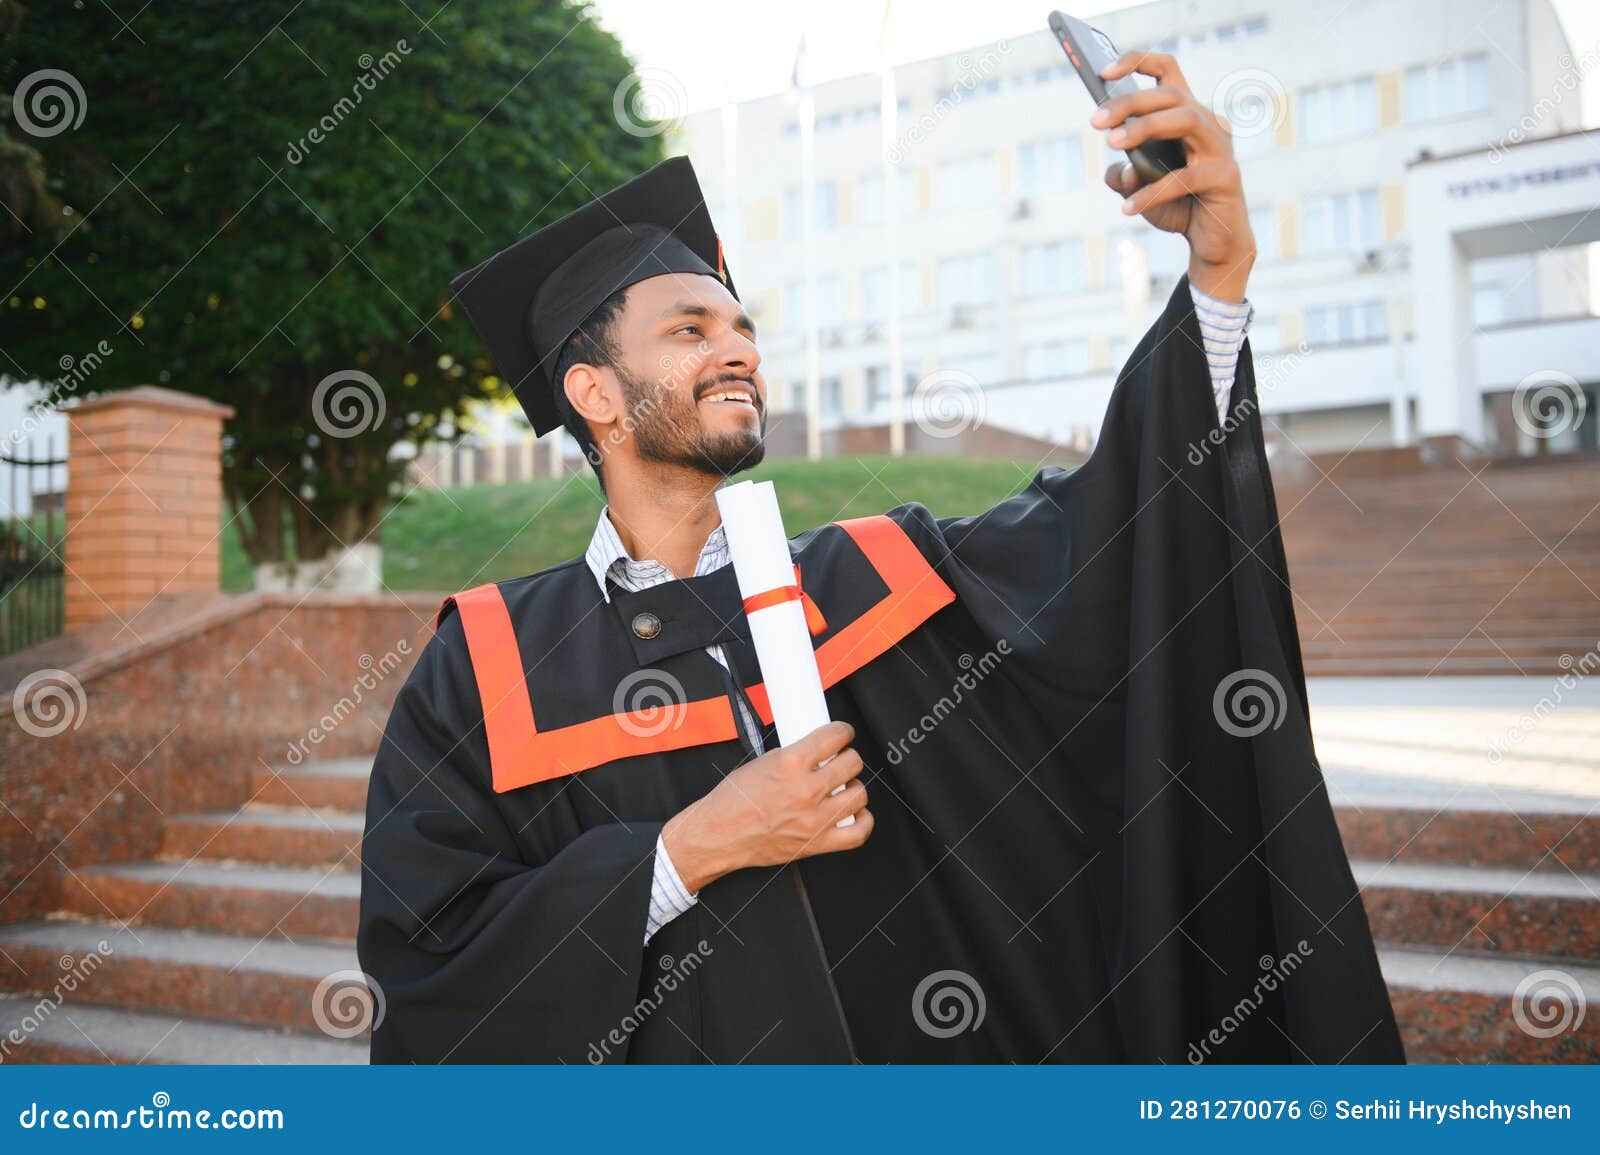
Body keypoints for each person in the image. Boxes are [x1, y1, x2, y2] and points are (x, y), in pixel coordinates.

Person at [357, 51, 1403, 1064]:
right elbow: (433, 957)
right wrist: (688, 852)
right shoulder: (490, 666)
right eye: (688, 330)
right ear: (593, 395)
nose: (739, 349)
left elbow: (1129, 535)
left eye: (741, 325)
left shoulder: (879, 579)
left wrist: (1215, 278)